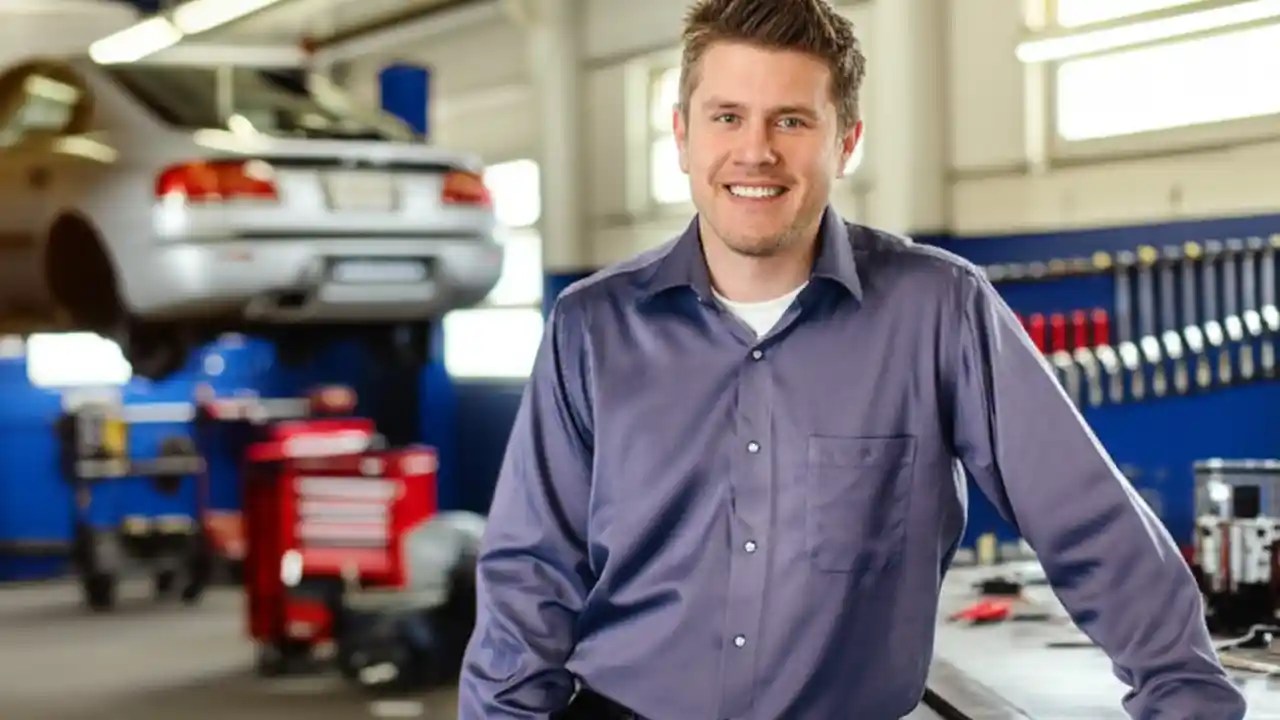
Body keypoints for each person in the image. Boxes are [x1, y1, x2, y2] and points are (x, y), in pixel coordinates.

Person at [457, 0, 1248, 717]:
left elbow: (1090, 524)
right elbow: (530, 576)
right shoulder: (592, 326)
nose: (755, 151)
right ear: (682, 135)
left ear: (847, 140)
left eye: (792, 121)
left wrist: (1187, 701)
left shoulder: (940, 310)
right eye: (727, 116)